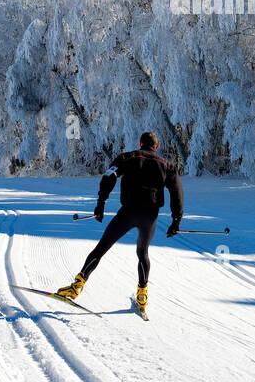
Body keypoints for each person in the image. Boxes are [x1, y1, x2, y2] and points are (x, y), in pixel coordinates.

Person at [56, 132, 184, 314]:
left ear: (140, 143)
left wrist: (101, 203)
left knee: (102, 248)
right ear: (157, 147)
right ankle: (142, 296)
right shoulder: (166, 165)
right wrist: (176, 220)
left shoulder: (127, 158)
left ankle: (77, 285)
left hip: (128, 212)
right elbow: (177, 191)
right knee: (143, 253)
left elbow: (109, 176)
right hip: (149, 216)